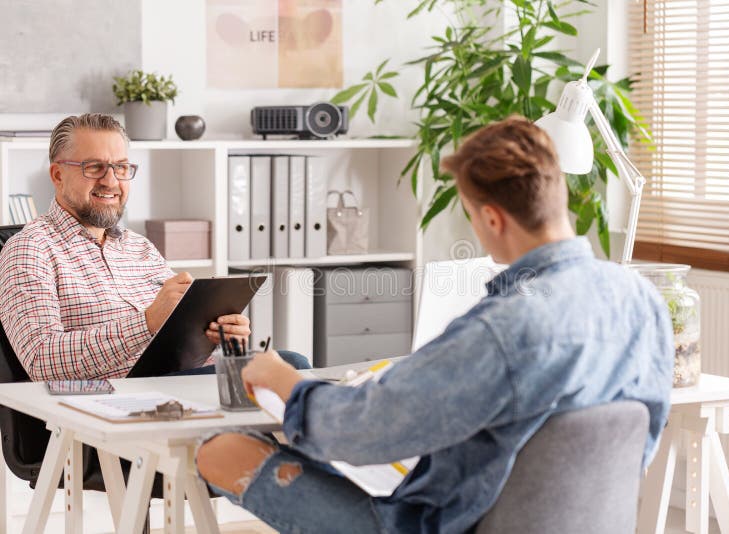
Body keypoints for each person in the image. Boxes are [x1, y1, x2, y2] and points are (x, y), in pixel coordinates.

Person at [195, 116, 674, 533]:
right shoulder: (642, 302)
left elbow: (364, 431)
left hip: (448, 525)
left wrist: (285, 379)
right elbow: (642, 440)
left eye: (468, 215)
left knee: (220, 450)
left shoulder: (506, 330)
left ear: (492, 218)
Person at [0, 113, 307, 381]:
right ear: (57, 175)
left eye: (121, 168)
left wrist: (218, 334)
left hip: (176, 386)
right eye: (94, 167)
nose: (111, 181)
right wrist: (146, 322)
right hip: (110, 406)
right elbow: (41, 360)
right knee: (290, 370)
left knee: (288, 369)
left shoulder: (140, 248)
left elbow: (176, 335)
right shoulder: (30, 249)